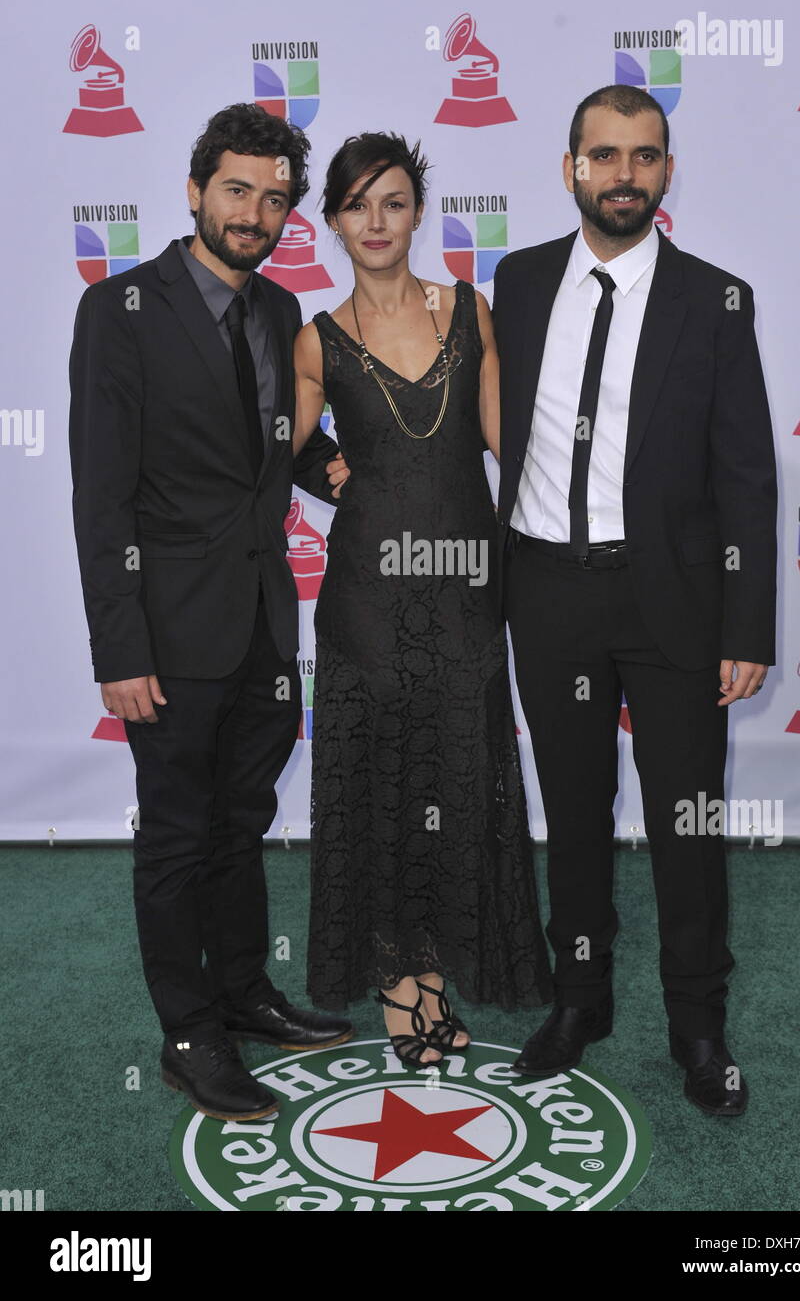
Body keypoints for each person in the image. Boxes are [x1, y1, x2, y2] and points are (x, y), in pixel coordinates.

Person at [493, 84, 777, 1114]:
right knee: (571, 812)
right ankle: (581, 998)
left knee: (686, 823)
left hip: (674, 605)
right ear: (570, 167)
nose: (624, 173)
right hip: (547, 591)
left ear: (666, 170)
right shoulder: (517, 284)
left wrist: (746, 624)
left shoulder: (718, 298)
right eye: (603, 155)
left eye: (644, 156)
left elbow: (746, 474)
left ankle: (699, 1027)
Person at [69, 102, 355, 1122]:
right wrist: (120, 644)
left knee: (242, 822)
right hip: (169, 631)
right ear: (196, 191)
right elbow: (102, 494)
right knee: (177, 839)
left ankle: (242, 991)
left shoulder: (283, 313)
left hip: (266, 624)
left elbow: (284, 450)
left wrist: (361, 475)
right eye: (238, 189)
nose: (256, 210)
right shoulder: (120, 309)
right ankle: (190, 1034)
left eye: (276, 198)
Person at [293, 132, 553, 1066]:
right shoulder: (314, 337)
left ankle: (446, 955)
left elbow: (506, 444)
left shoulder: (471, 313)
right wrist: (328, 475)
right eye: (357, 204)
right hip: (366, 594)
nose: (375, 221)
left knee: (457, 769)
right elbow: (279, 442)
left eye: (393, 202)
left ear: (416, 214)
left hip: (465, 588)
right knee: (383, 782)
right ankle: (406, 986)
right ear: (330, 221)